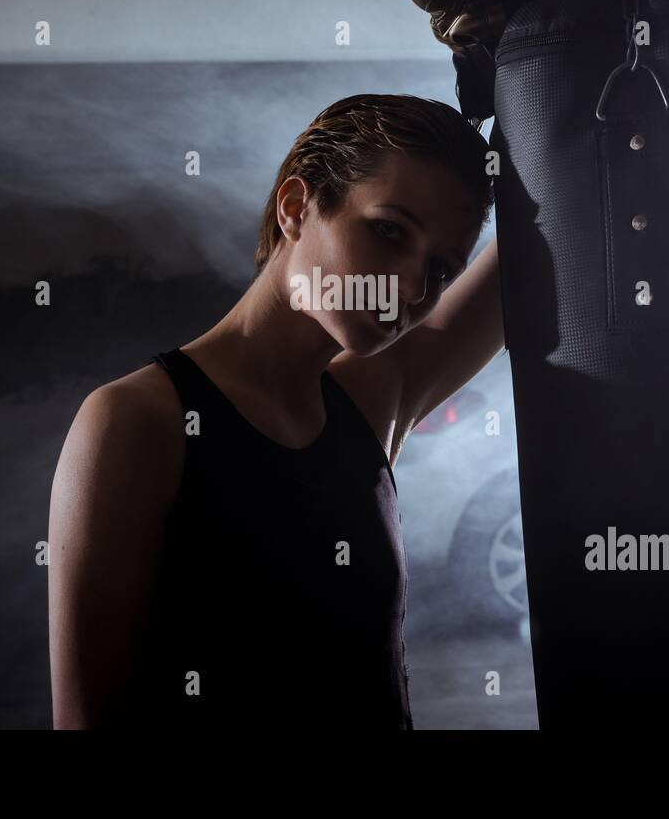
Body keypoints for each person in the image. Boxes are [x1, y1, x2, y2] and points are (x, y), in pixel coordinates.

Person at [48, 93, 506, 728]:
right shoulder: (136, 422)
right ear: (297, 207)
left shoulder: (370, 404)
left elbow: (538, 243)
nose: (409, 286)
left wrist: (525, 82)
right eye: (389, 231)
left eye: (440, 270)